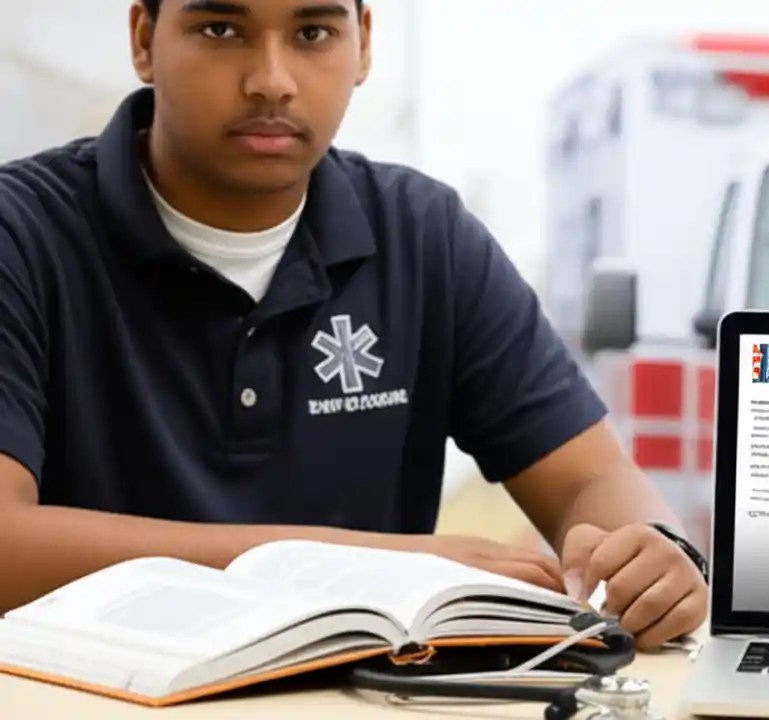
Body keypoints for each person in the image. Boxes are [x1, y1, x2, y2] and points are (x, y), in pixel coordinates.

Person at [0, 0, 708, 651]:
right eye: (221, 29)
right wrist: (368, 567)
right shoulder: (23, 234)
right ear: (144, 40)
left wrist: (652, 554)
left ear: (363, 44)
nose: (271, 81)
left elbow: (593, 480)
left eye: (313, 33)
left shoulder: (425, 238)